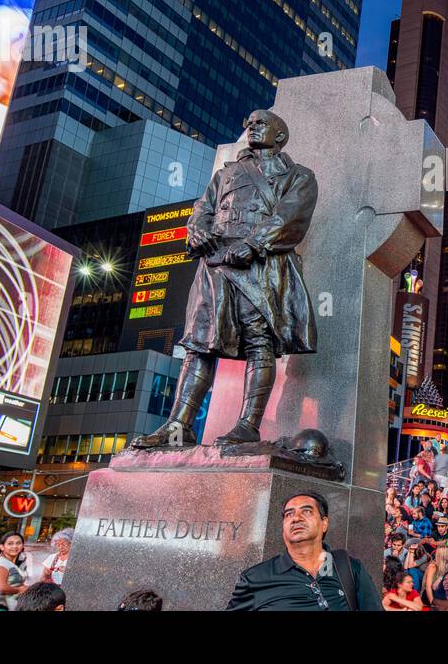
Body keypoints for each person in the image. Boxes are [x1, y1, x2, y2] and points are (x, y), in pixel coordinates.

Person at [132, 109, 318, 449]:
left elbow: (290, 217)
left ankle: (248, 424)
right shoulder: (225, 174)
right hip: (215, 265)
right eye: (247, 123)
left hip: (259, 267)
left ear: (280, 135)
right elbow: (201, 211)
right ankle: (178, 426)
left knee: (259, 342)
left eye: (260, 123)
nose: (250, 127)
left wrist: (254, 244)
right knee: (198, 345)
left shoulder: (299, 176)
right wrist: (198, 232)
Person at [227, 491, 380, 610]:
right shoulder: (255, 578)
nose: (296, 518)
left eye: (306, 511)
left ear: (324, 523)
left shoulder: (350, 569)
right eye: (289, 514)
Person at [0, 532, 31, 610]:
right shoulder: (1, 563)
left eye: (18, 543)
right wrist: (20, 589)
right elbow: (1, 587)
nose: (15, 546)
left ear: (22, 546)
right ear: (2, 547)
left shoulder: (9, 563)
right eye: (10, 543)